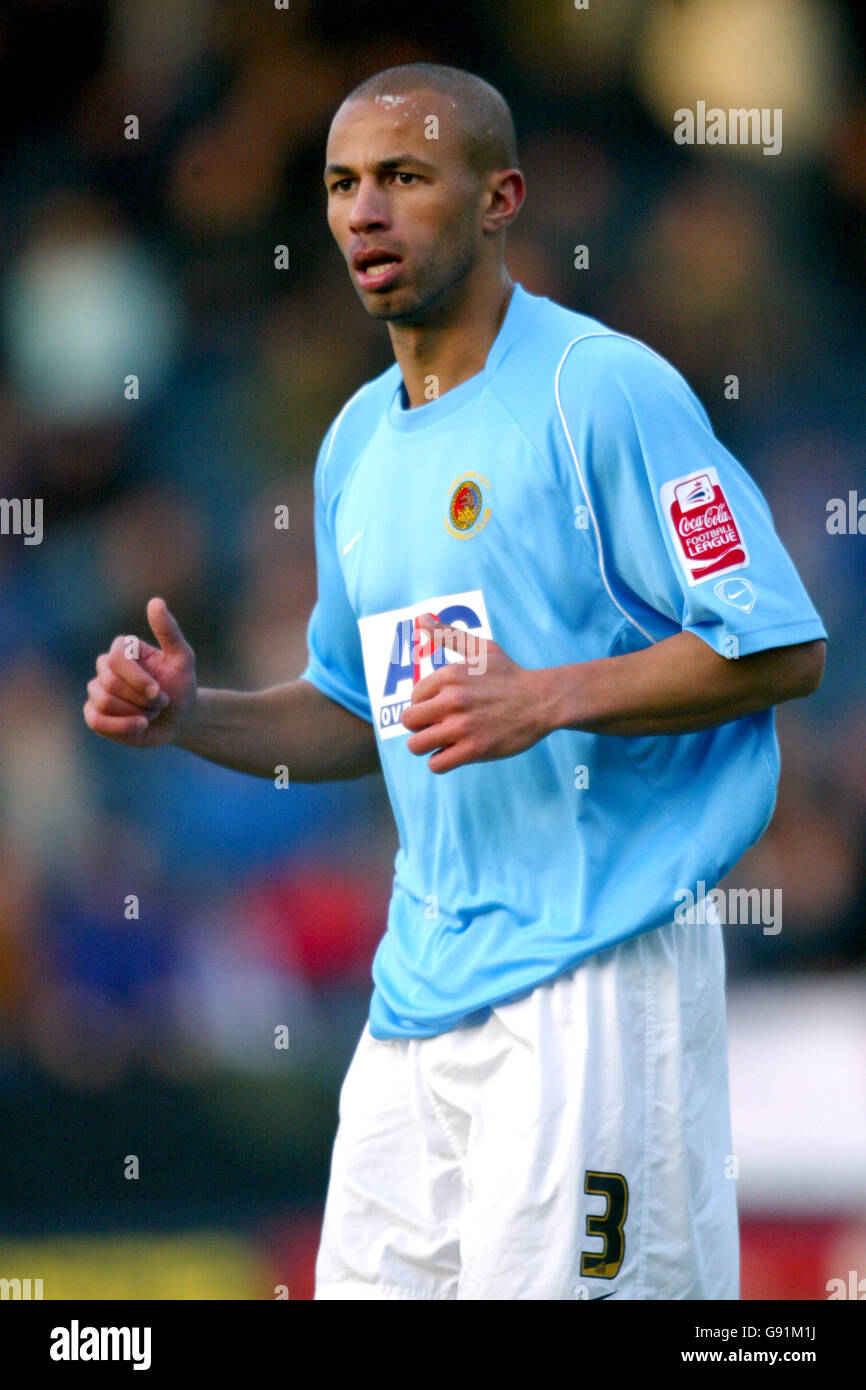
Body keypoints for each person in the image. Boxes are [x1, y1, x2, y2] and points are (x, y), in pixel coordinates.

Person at [84, 63, 827, 1300]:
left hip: (594, 976)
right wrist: (190, 715)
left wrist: (542, 695)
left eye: (404, 177)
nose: (364, 211)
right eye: (341, 184)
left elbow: (779, 644)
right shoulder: (354, 444)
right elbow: (353, 709)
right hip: (417, 1001)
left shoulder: (600, 389)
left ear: (498, 197)